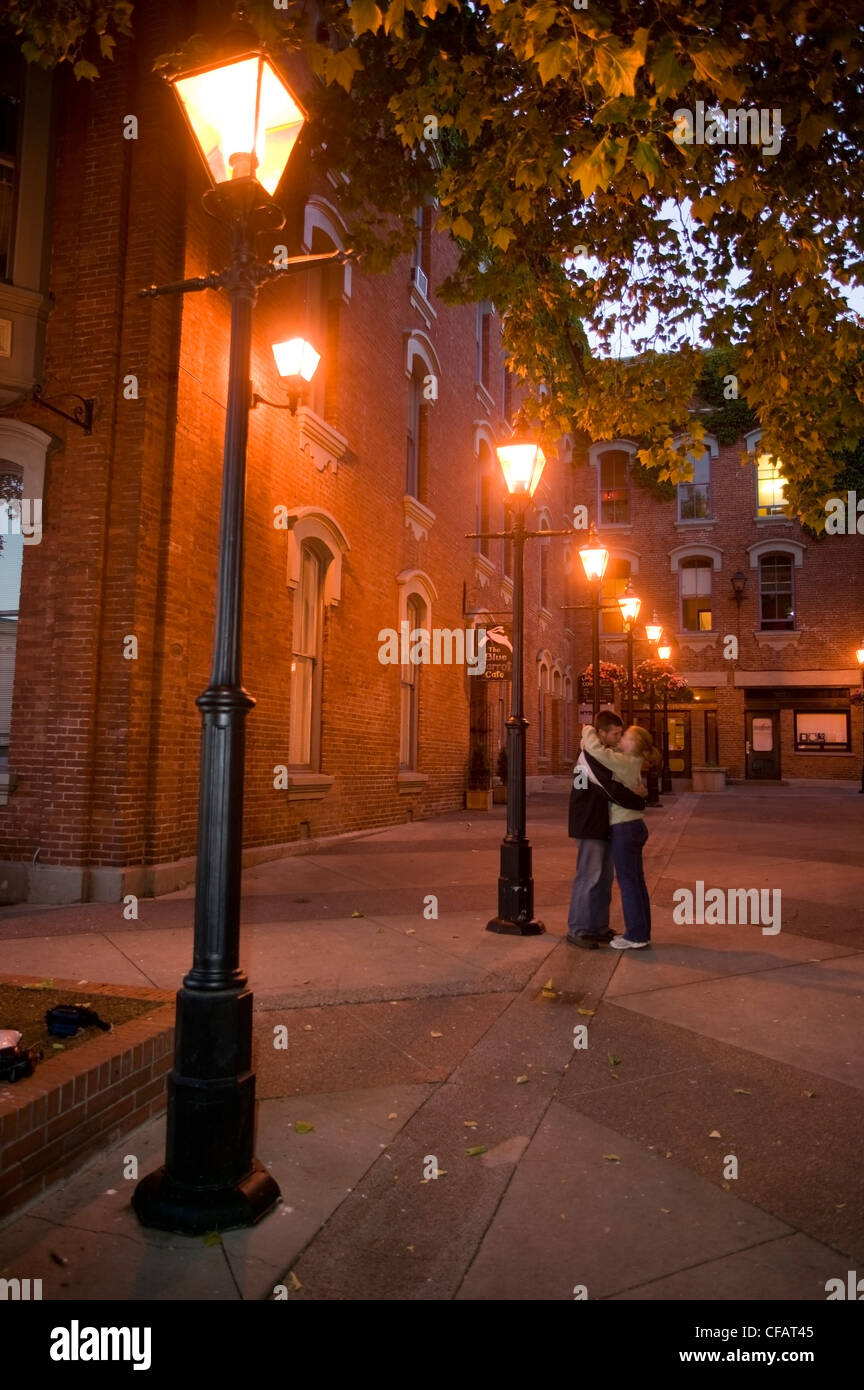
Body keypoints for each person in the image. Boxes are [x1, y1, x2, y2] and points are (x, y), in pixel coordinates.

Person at [566, 711, 644, 949]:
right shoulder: (589, 757)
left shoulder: (603, 756)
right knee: (589, 877)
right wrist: (638, 801)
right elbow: (607, 789)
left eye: (621, 734)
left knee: (604, 878)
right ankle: (579, 929)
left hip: (604, 823)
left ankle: (598, 927)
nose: (619, 738)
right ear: (601, 734)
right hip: (589, 824)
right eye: (615, 734)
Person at [581, 722, 661, 950]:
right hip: (633, 825)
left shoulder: (624, 761)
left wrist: (587, 729)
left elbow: (597, 751)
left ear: (634, 744)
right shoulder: (629, 760)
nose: (621, 739)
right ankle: (641, 932)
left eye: (625, 736)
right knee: (636, 882)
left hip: (624, 827)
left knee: (628, 884)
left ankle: (635, 936)